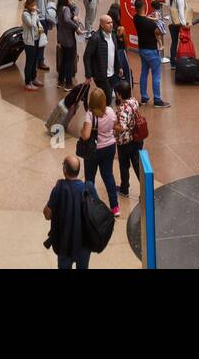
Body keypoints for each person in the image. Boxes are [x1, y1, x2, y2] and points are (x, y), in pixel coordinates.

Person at [43, 155, 91, 270]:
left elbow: (47, 214)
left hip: (63, 244)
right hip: (84, 245)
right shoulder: (88, 189)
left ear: (64, 170)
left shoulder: (58, 189)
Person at [78, 86, 120, 215]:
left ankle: (91, 206)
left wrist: (81, 130)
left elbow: (85, 135)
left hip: (94, 151)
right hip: (110, 148)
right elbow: (116, 127)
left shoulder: (90, 115)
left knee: (90, 178)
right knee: (108, 176)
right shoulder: (110, 111)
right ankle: (115, 207)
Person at [133, 0, 170, 107]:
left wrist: (151, 18)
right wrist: (158, 20)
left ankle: (144, 98)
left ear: (135, 8)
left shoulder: (136, 19)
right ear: (144, 7)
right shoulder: (150, 23)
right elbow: (161, 32)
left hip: (142, 49)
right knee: (156, 75)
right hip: (152, 51)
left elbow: (143, 17)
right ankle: (157, 100)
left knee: (144, 72)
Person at [114, 80, 142, 197]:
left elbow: (122, 127)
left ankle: (124, 188)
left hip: (125, 142)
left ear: (119, 95)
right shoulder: (134, 101)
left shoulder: (122, 108)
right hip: (136, 138)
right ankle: (145, 187)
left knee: (124, 165)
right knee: (136, 164)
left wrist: (113, 126)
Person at [84, 14, 120, 104]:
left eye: (111, 22)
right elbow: (87, 56)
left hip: (112, 74)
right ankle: (104, 115)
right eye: (108, 23)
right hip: (101, 76)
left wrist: (119, 67)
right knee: (107, 98)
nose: (111, 25)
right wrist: (88, 75)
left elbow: (115, 53)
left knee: (108, 97)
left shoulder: (113, 36)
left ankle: (104, 113)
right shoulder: (95, 38)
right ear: (102, 25)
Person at [56, 0, 83, 89]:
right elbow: (67, 19)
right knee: (69, 60)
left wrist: (75, 14)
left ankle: (60, 80)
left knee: (63, 59)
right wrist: (76, 27)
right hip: (68, 38)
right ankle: (68, 83)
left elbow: (75, 8)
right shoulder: (66, 9)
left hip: (61, 37)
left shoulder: (59, 7)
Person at [31, 0, 53, 74]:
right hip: (36, 20)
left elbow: (48, 0)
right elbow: (29, 5)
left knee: (43, 41)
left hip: (45, 19)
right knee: (36, 41)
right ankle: (35, 61)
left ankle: (41, 61)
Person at [22, 0, 44, 90]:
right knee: (30, 61)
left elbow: (37, 23)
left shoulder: (33, 12)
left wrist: (40, 27)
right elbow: (32, 24)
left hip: (36, 39)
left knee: (35, 60)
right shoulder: (25, 14)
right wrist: (35, 13)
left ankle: (34, 78)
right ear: (28, 5)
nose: (35, 7)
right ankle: (28, 82)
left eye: (35, 5)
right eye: (33, 5)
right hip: (29, 42)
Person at [168, 0, 190, 69]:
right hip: (178, 24)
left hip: (172, 24)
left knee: (174, 43)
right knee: (183, 41)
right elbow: (181, 11)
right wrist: (184, 24)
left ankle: (172, 62)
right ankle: (182, 59)